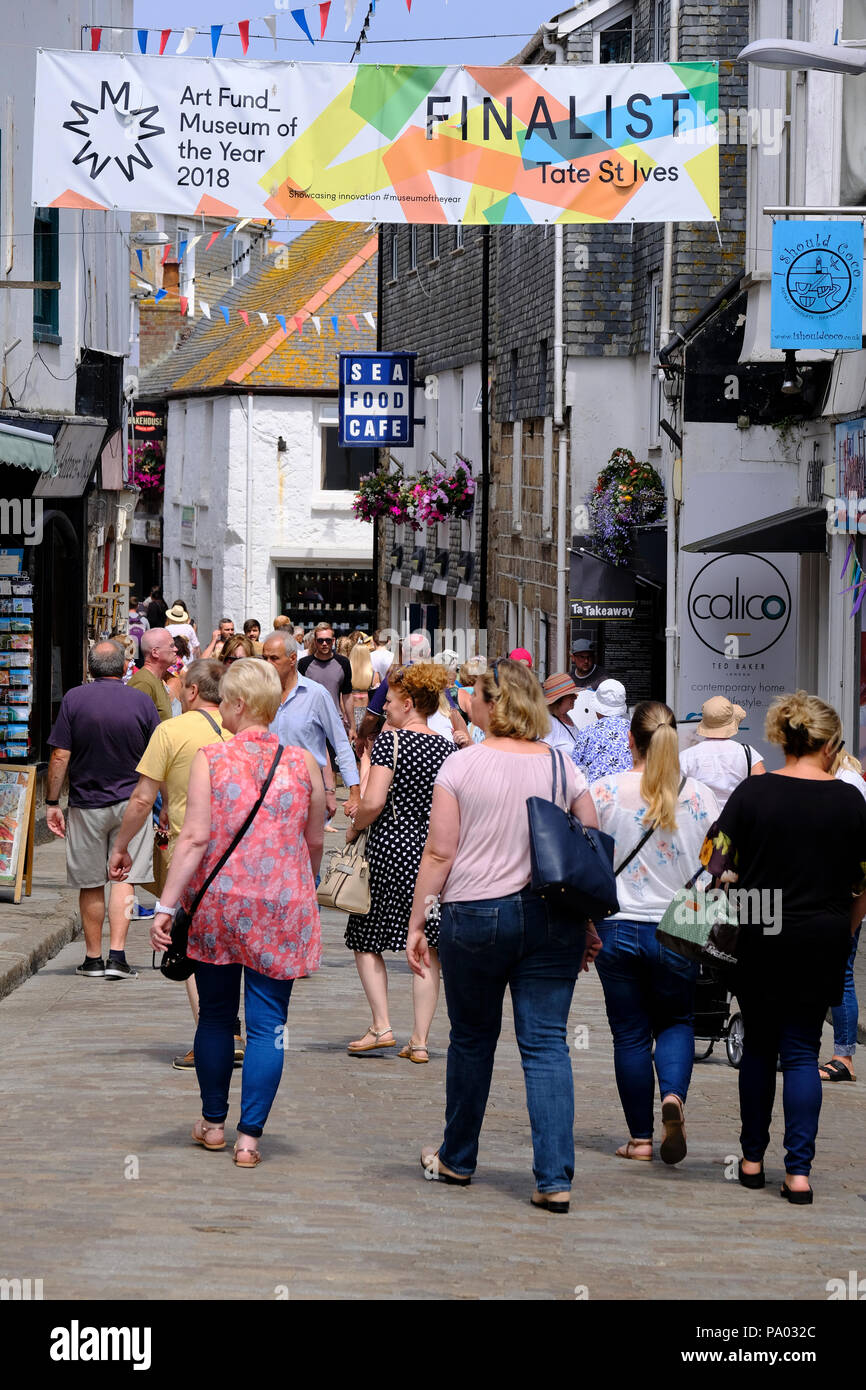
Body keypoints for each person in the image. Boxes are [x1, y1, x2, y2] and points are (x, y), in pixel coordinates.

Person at [406, 658, 601, 1209]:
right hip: (551, 918)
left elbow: (441, 851)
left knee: (471, 1039)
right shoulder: (564, 768)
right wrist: (587, 922)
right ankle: (554, 1179)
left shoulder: (462, 766)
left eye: (475, 696)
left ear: (493, 705)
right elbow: (587, 848)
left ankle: (458, 1158)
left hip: (476, 915)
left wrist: (419, 919)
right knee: (545, 1045)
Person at [149, 659, 325, 1166]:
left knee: (217, 1018)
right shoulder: (302, 763)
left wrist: (165, 905)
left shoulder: (212, 758)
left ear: (240, 704)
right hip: (280, 904)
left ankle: (212, 1123)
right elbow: (314, 840)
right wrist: (300, 881)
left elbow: (195, 838)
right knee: (270, 1025)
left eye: (224, 699)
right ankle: (250, 1139)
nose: (220, 707)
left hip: (219, 904)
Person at [702, 693, 866, 1204]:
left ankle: (751, 1160)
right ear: (831, 743)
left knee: (759, 1046)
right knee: (801, 1052)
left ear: (783, 738)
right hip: (822, 932)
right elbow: (862, 882)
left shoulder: (753, 795)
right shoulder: (850, 801)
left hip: (758, 927)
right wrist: (846, 930)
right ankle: (799, 1173)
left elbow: (713, 858)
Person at [589, 701, 719, 1165]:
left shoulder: (602, 792)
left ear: (631, 741)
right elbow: (717, 867)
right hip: (681, 922)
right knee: (677, 1020)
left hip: (618, 922)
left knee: (629, 1034)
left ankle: (640, 1138)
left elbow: (588, 863)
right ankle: (674, 1099)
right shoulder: (702, 797)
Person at [108, 659, 238, 1069]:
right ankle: (233, 1029)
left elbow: (143, 798)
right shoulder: (242, 729)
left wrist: (122, 845)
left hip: (192, 854)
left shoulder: (172, 731)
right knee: (232, 946)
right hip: (242, 855)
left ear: (195, 691)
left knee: (193, 946)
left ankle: (210, 1037)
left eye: (182, 687)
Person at [344, 663, 457, 1061]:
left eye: (389, 701)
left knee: (365, 936)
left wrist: (355, 823)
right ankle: (421, 1040)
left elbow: (373, 801)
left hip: (390, 848)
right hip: (431, 853)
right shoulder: (446, 748)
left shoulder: (391, 744)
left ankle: (381, 1025)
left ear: (408, 704)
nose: (385, 708)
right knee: (427, 946)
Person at [45, 641, 160, 979]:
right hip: (132, 805)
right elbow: (158, 755)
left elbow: (60, 756)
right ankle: (118, 956)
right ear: (125, 666)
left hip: (85, 804)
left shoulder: (74, 699)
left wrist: (52, 802)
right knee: (124, 879)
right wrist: (162, 803)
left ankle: (93, 958)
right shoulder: (141, 700)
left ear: (90, 668)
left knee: (91, 882)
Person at [263, 631, 360, 825]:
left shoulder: (316, 695)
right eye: (264, 658)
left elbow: (339, 742)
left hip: (305, 795)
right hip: (266, 795)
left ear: (292, 659)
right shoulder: (259, 693)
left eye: (273, 658)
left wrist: (354, 792)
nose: (267, 663)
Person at [818, 748, 866, 1084]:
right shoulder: (848, 781)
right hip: (839, 898)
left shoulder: (845, 788)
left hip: (842, 899)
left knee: (842, 973)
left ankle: (843, 1055)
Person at [678, 695, 766, 809]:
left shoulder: (686, 756)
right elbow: (763, 789)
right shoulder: (747, 753)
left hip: (700, 820)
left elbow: (674, 793)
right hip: (736, 821)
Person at [298, 622, 355, 737]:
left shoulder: (343, 663)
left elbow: (347, 695)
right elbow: (299, 695)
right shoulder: (304, 664)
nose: (324, 644)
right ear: (315, 641)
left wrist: (352, 726)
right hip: (310, 721)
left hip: (335, 720)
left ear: (333, 641)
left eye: (328, 640)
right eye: (320, 640)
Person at [572, 678, 633, 783]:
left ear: (597, 708)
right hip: (627, 792)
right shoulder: (634, 731)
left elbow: (575, 769)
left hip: (597, 794)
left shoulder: (587, 732)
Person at [128, 628, 176, 723]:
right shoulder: (143, 683)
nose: (176, 649)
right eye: (171, 646)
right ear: (155, 652)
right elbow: (133, 724)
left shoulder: (156, 679)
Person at [541, 673, 581, 755]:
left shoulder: (566, 716)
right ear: (559, 699)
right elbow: (544, 755)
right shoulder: (548, 723)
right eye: (571, 695)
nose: (575, 697)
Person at [349, 638, 378, 733]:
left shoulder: (347, 673)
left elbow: (342, 696)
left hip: (350, 713)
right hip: (368, 713)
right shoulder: (374, 675)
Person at [127, 597, 149, 661]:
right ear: (137, 606)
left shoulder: (124, 618)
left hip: (128, 648)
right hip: (140, 650)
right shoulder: (144, 620)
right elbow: (148, 637)